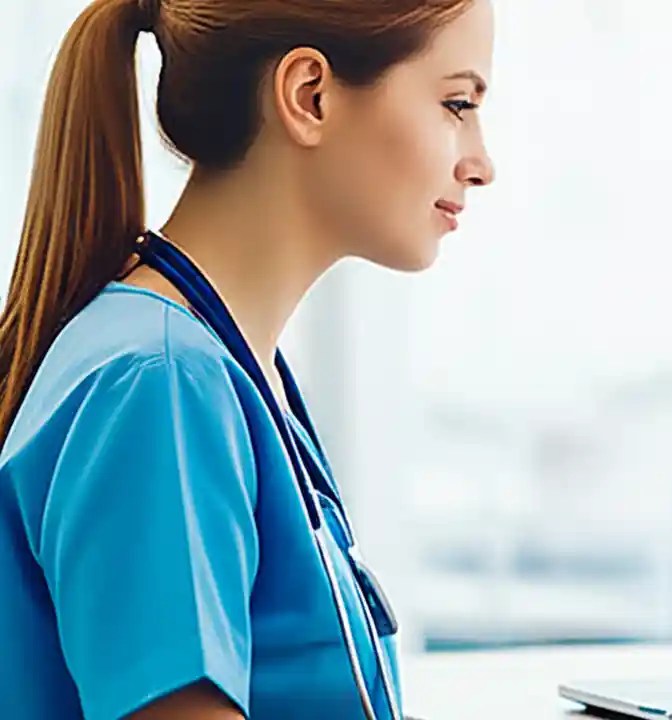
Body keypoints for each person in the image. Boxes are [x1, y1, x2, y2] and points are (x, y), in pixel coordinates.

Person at [0, 0, 495, 717]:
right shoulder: (160, 386)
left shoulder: (218, 366)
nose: (481, 163)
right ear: (309, 97)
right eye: (456, 104)